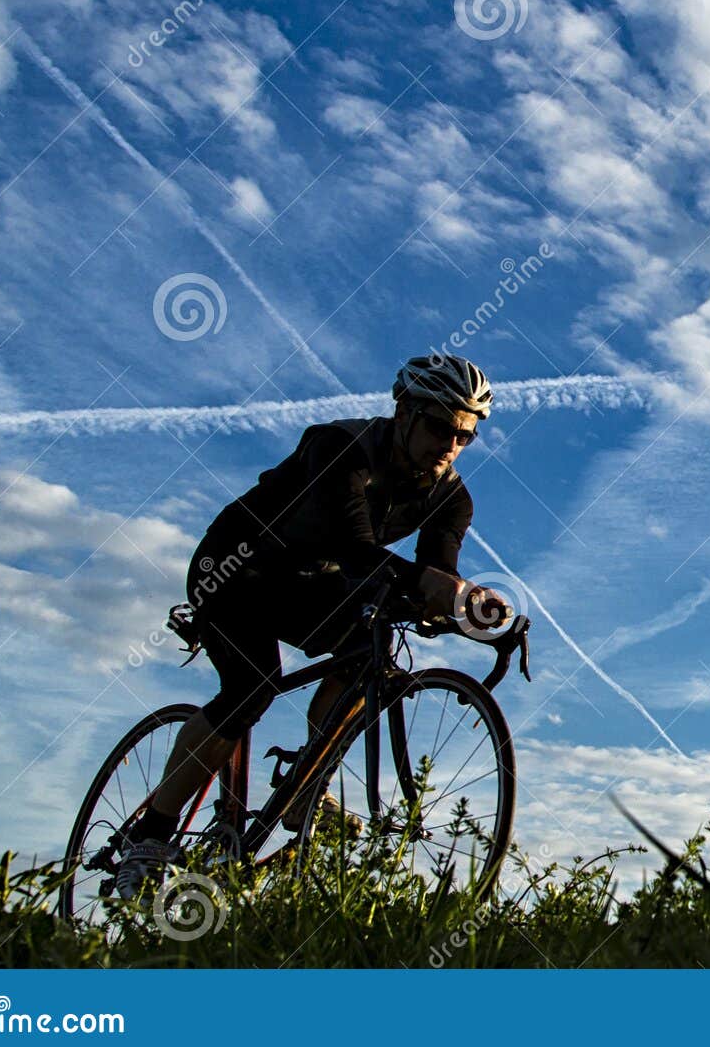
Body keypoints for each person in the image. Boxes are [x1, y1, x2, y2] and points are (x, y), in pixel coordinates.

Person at [115, 353, 511, 898]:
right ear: (404, 412)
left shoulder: (452, 498)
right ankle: (152, 833)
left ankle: (307, 784)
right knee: (252, 687)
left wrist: (472, 610)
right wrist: (428, 585)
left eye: (465, 436)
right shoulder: (339, 448)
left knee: (367, 650)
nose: (451, 444)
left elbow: (438, 571)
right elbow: (355, 549)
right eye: (441, 426)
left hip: (312, 580)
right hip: (235, 567)